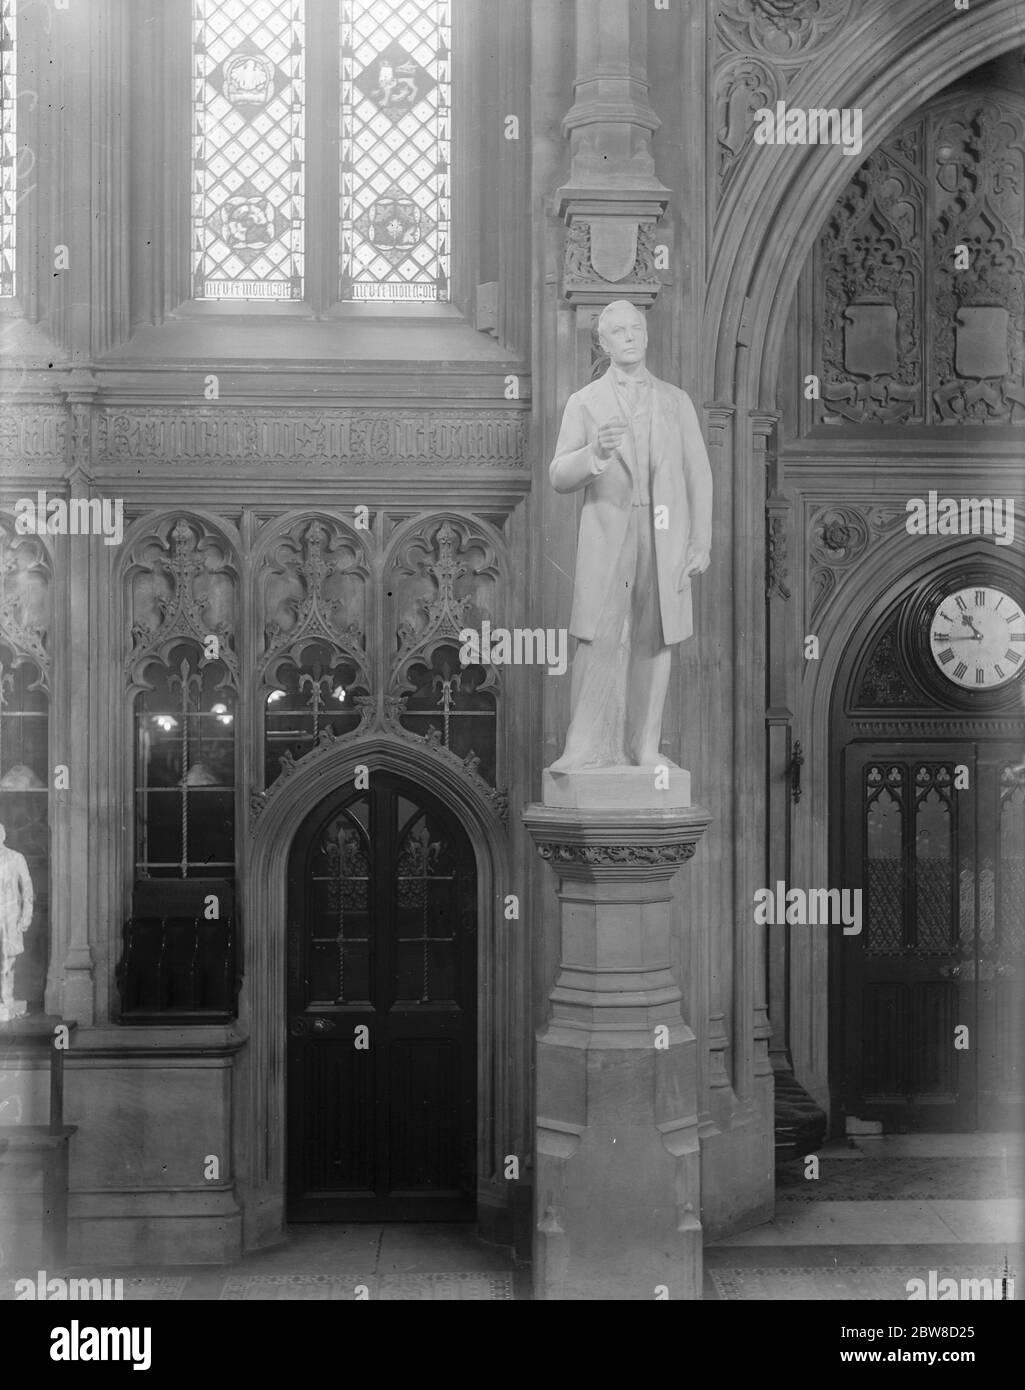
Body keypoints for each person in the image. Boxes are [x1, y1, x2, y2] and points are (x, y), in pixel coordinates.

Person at [549, 299, 713, 769]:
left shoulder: (675, 401)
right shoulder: (584, 402)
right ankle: (581, 747)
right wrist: (594, 454)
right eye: (618, 330)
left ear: (647, 334)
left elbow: (698, 474)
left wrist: (700, 538)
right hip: (609, 532)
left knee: (655, 635)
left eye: (636, 328)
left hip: (662, 533)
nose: (630, 336)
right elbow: (559, 474)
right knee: (598, 633)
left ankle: (645, 748)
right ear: (603, 343)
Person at [0, 821, 34, 1013]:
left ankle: (7, 998)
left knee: (9, 959)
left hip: (10, 915)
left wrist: (26, 916)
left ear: (2, 836)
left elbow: (27, 888)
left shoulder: (16, 858)